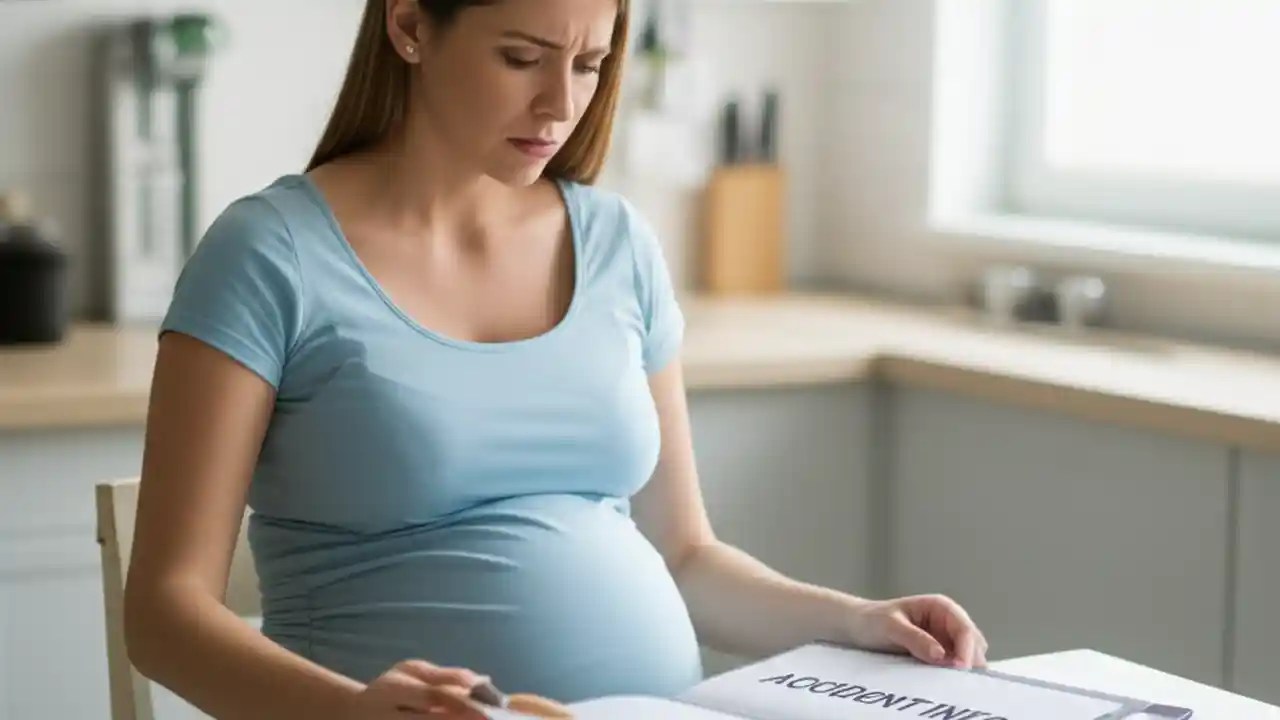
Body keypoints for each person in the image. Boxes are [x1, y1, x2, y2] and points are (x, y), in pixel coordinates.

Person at [122, 0, 990, 718]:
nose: (559, 105)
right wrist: (354, 712)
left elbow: (686, 556)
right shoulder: (269, 256)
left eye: (588, 65)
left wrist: (857, 621)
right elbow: (164, 617)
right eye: (521, 57)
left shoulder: (617, 243)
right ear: (410, 26)